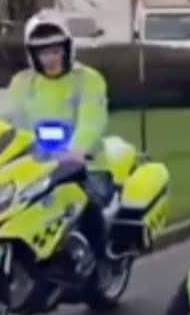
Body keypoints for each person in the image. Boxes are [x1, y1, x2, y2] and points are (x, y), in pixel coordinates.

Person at [6, 13, 112, 242]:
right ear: (32, 55)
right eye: (43, 53)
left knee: (86, 210)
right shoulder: (21, 83)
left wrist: (76, 151)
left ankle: (98, 268)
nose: (51, 58)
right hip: (33, 168)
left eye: (56, 50)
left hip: (85, 167)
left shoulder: (88, 79)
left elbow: (92, 120)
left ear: (67, 48)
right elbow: (6, 120)